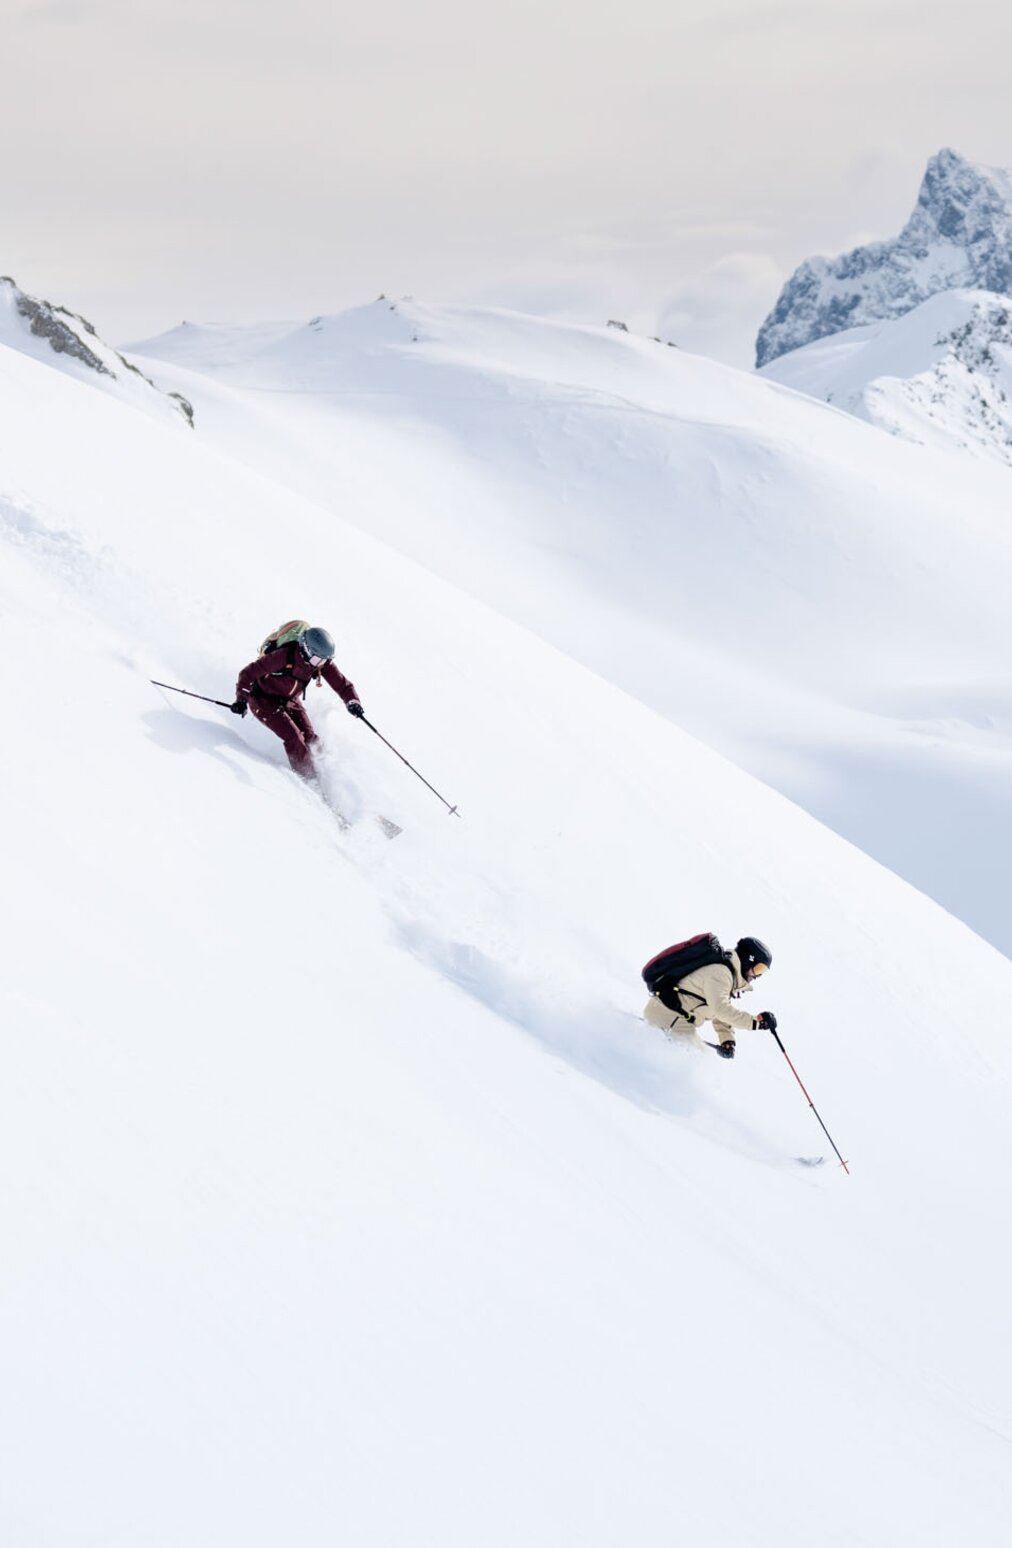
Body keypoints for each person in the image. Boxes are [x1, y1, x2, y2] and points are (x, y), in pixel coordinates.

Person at [230, 624, 364, 779]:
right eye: (317, 659)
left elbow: (342, 684)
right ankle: (308, 778)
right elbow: (248, 673)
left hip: (289, 700)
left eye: (325, 660)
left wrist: (353, 701)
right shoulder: (283, 656)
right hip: (263, 700)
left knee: (311, 738)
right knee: (294, 738)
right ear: (306, 649)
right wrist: (241, 699)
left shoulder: (319, 662)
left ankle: (326, 774)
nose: (320, 664)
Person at [642, 935, 776, 1059]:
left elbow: (718, 1010)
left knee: (698, 1060)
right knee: (697, 1062)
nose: (757, 976)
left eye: (762, 971)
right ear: (748, 959)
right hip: (669, 1018)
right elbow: (721, 1009)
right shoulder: (721, 974)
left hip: (674, 1019)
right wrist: (756, 1023)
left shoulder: (727, 974)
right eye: (758, 969)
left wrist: (727, 1039)